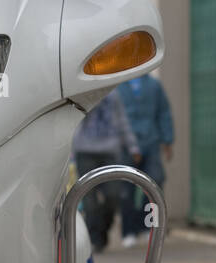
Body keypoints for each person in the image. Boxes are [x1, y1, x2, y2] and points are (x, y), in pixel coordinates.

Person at [73, 89, 140, 253]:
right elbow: (72, 122)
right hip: (85, 151)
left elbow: (122, 119)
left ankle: (101, 230)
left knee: (114, 196)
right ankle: (95, 239)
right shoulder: (80, 91)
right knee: (89, 201)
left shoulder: (114, 94)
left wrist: (132, 146)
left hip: (110, 151)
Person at [117, 75, 174, 246]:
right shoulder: (118, 86)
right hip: (126, 144)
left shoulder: (154, 85)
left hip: (151, 141)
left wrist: (167, 140)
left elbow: (164, 112)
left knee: (154, 182)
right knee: (125, 188)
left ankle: (147, 225)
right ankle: (128, 230)